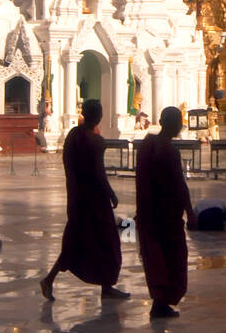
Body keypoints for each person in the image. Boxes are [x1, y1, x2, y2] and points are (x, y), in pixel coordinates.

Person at [40, 99, 128, 301]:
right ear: (98, 116)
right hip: (94, 199)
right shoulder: (94, 141)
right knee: (107, 241)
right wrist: (110, 193)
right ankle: (105, 286)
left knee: (76, 240)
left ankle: (50, 280)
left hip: (77, 197)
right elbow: (98, 172)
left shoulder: (73, 135)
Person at [135, 106, 197, 319]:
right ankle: (160, 303)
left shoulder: (147, 145)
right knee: (173, 258)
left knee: (157, 258)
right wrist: (190, 211)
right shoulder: (169, 150)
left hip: (150, 212)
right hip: (167, 214)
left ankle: (159, 302)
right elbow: (179, 184)